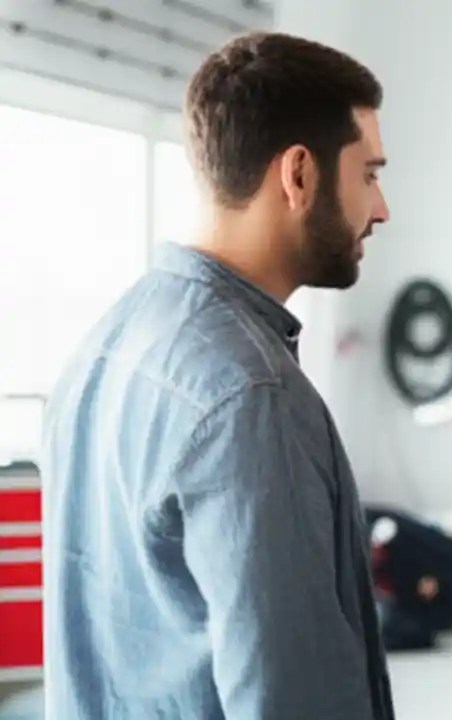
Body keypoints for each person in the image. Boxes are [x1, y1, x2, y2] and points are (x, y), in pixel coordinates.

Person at [40, 32, 395, 719]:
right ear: (299, 174)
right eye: (369, 174)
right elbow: (294, 700)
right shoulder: (249, 395)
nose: (381, 208)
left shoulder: (105, 345)